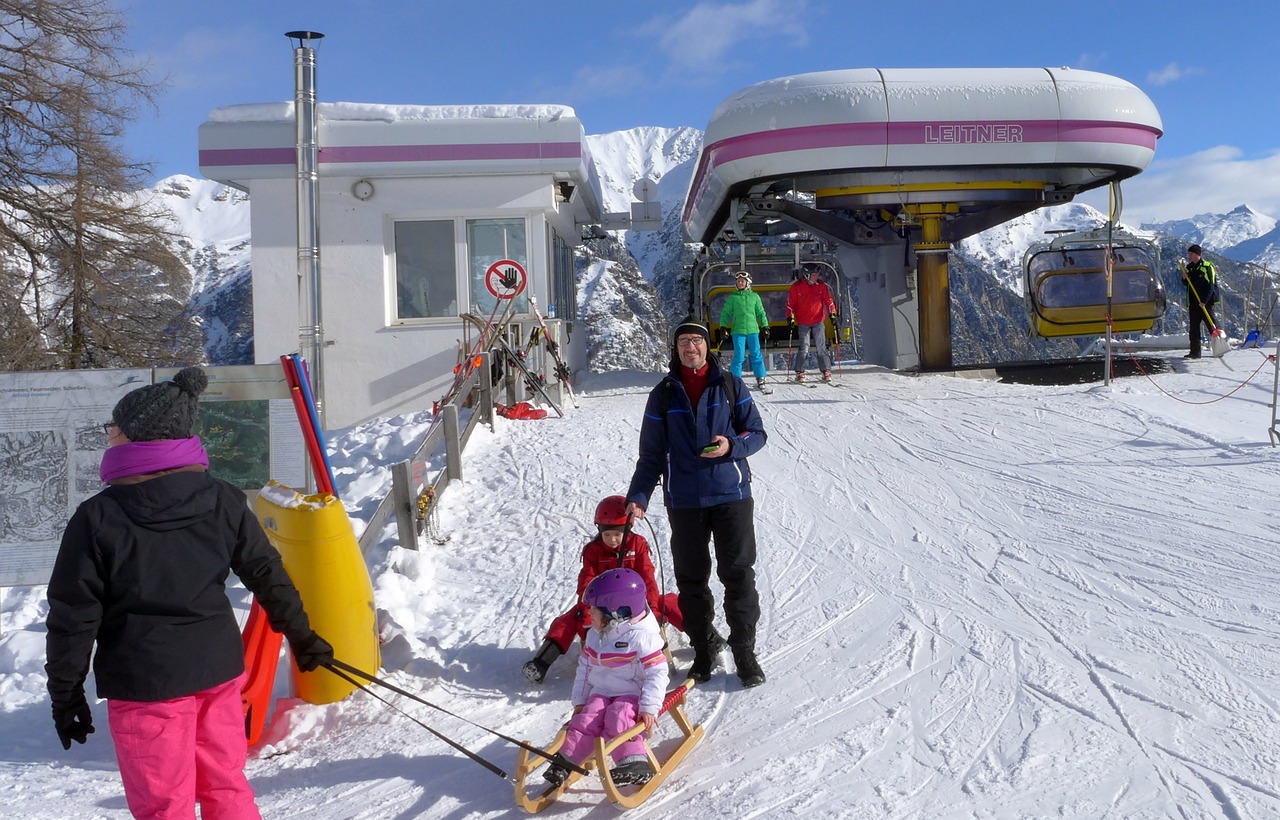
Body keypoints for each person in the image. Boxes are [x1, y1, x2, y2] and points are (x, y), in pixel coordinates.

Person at [45, 366, 334, 820]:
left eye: (114, 428)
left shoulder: (98, 517)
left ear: (136, 437)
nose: (109, 435)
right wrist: (302, 637)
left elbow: (73, 615)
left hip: (146, 685)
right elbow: (266, 574)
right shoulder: (222, 498)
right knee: (226, 787)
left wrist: (66, 694)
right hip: (217, 672)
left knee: (164, 806)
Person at [625, 319, 768, 689]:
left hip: (731, 495)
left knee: (738, 574)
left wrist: (731, 446)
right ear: (676, 349)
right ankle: (703, 650)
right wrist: (639, 496)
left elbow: (756, 432)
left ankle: (744, 652)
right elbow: (651, 453)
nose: (691, 347)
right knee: (691, 579)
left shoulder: (731, 386)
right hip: (685, 500)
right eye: (684, 342)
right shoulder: (663, 395)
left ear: (708, 346)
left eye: (697, 341)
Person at [524, 495, 725, 683]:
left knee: (671, 602)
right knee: (569, 619)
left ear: (628, 529)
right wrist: (587, 609)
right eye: (607, 534)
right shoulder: (593, 551)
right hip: (605, 608)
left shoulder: (637, 545)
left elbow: (648, 578)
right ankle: (541, 663)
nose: (612, 540)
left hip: (637, 605)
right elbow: (586, 581)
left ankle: (708, 639)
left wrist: (653, 608)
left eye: (618, 534)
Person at [542, 568, 670, 788]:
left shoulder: (642, 638)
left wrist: (649, 707)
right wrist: (580, 701)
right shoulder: (594, 636)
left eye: (595, 611)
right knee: (585, 720)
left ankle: (633, 763)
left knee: (618, 716)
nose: (589, 614)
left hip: (631, 693)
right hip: (600, 693)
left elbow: (657, 673)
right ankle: (566, 762)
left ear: (616, 614)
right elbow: (584, 670)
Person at [719, 270, 772, 393]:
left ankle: (761, 378)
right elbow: (725, 313)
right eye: (738, 281)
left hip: (753, 330)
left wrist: (765, 326)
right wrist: (723, 327)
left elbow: (760, 312)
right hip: (738, 331)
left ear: (748, 283)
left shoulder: (754, 297)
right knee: (739, 356)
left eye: (742, 281)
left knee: (756, 354)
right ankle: (734, 380)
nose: (740, 283)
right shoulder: (733, 298)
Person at [785, 263, 839, 382]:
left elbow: (828, 301)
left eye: (817, 274)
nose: (817, 277)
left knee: (821, 346)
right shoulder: (797, 287)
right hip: (803, 321)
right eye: (814, 274)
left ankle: (826, 371)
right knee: (804, 346)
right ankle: (800, 372)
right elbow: (790, 305)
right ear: (806, 275)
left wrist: (833, 313)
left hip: (818, 320)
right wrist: (790, 317)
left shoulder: (821, 286)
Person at [1182, 244, 1218, 359]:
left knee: (1212, 326)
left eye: (1191, 254)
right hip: (1193, 302)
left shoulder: (1207, 267)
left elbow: (1211, 285)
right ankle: (1195, 352)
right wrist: (1184, 278)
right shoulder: (1190, 267)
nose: (1190, 256)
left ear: (1198, 254)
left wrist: (1204, 301)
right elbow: (1187, 284)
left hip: (1205, 303)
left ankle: (1219, 349)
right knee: (1194, 329)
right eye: (1189, 254)